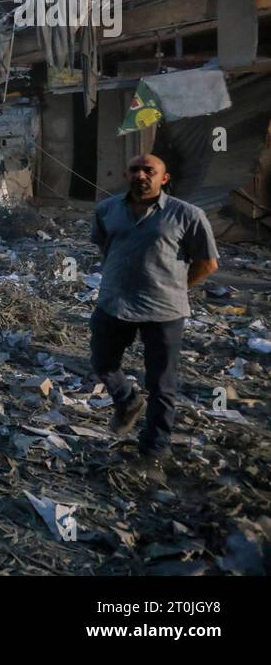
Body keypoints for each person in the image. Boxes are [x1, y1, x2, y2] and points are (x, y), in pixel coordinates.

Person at [90, 153, 218, 477]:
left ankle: (154, 452)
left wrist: (176, 287)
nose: (141, 175)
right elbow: (106, 247)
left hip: (164, 311)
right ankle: (127, 400)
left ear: (164, 178)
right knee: (103, 362)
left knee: (161, 385)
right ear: (126, 173)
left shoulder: (187, 214)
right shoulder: (107, 210)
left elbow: (207, 262)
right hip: (114, 303)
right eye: (135, 169)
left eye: (150, 170)